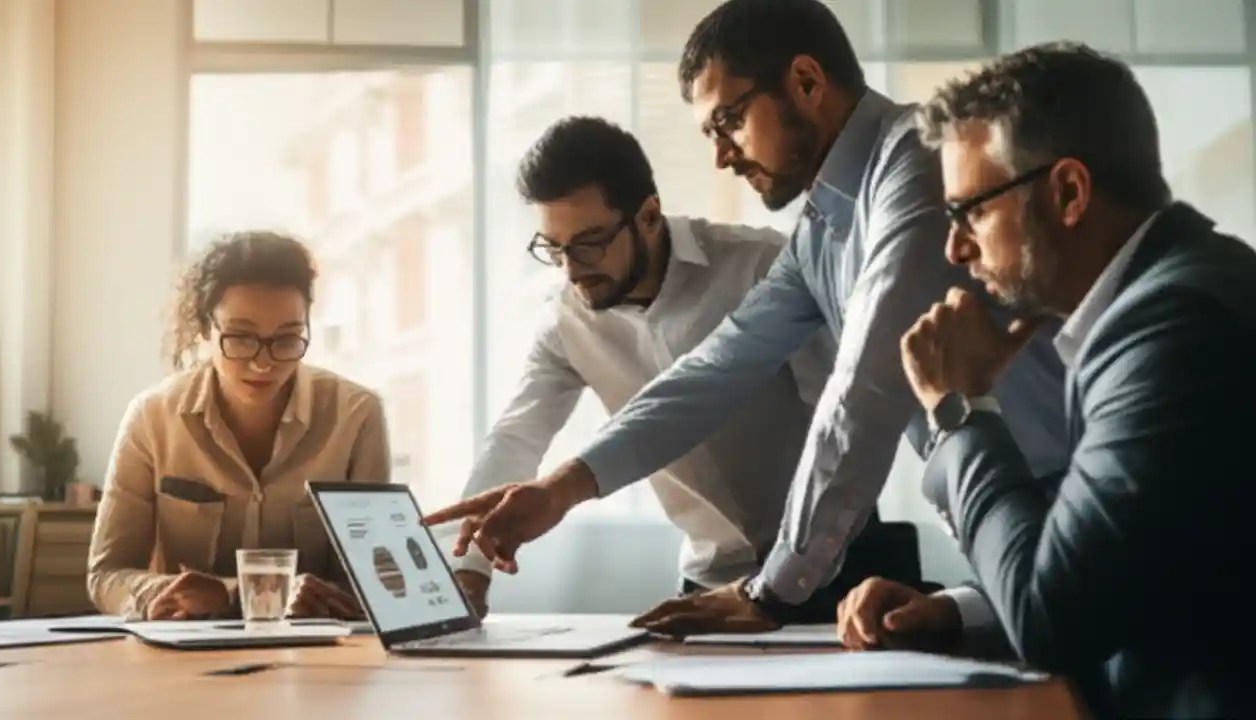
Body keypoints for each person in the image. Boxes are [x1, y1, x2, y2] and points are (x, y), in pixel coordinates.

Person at [427, 0, 1066, 636]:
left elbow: (862, 392)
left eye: (727, 121)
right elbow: (715, 368)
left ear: (807, 82)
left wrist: (771, 589)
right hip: (1008, 525)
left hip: (1068, 496)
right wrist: (563, 488)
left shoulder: (917, 162)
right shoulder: (820, 230)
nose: (722, 157)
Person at [838, 43, 1255, 718]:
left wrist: (960, 411)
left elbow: (1055, 620)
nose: (954, 250)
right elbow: (1108, 557)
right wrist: (955, 611)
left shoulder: (1174, 325)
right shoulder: (1162, 302)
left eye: (969, 211)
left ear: (1068, 192)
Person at [451, 116, 853, 619]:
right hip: (709, 580)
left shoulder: (764, 267)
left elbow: (842, 416)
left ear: (648, 215)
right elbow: (515, 438)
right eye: (554, 248)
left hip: (839, 568)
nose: (572, 269)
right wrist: (468, 571)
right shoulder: (565, 322)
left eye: (590, 242)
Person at [87, 231, 391, 620]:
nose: (263, 363)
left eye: (286, 339)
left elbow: (379, 577)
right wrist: (166, 593)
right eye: (241, 337)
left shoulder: (357, 416)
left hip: (317, 655)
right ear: (203, 328)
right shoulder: (152, 417)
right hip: (182, 656)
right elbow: (107, 573)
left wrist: (252, 596)